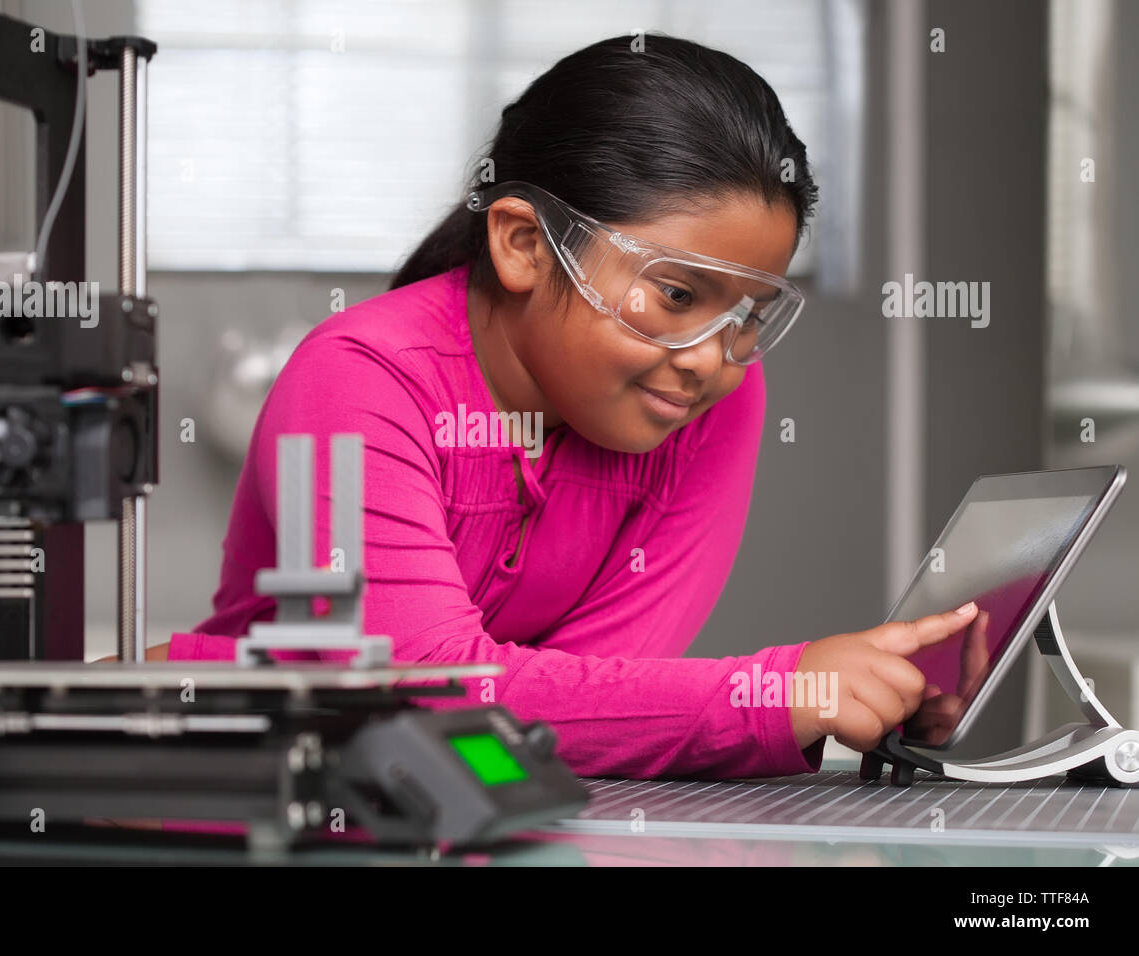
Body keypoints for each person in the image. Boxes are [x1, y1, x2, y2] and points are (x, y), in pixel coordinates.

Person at [145, 34, 981, 779]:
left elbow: (599, 708)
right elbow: (421, 687)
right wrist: (777, 693)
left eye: (749, 314)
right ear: (522, 244)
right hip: (254, 792)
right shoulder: (360, 376)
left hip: (481, 800)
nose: (708, 357)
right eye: (678, 293)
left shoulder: (719, 398)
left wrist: (856, 693)